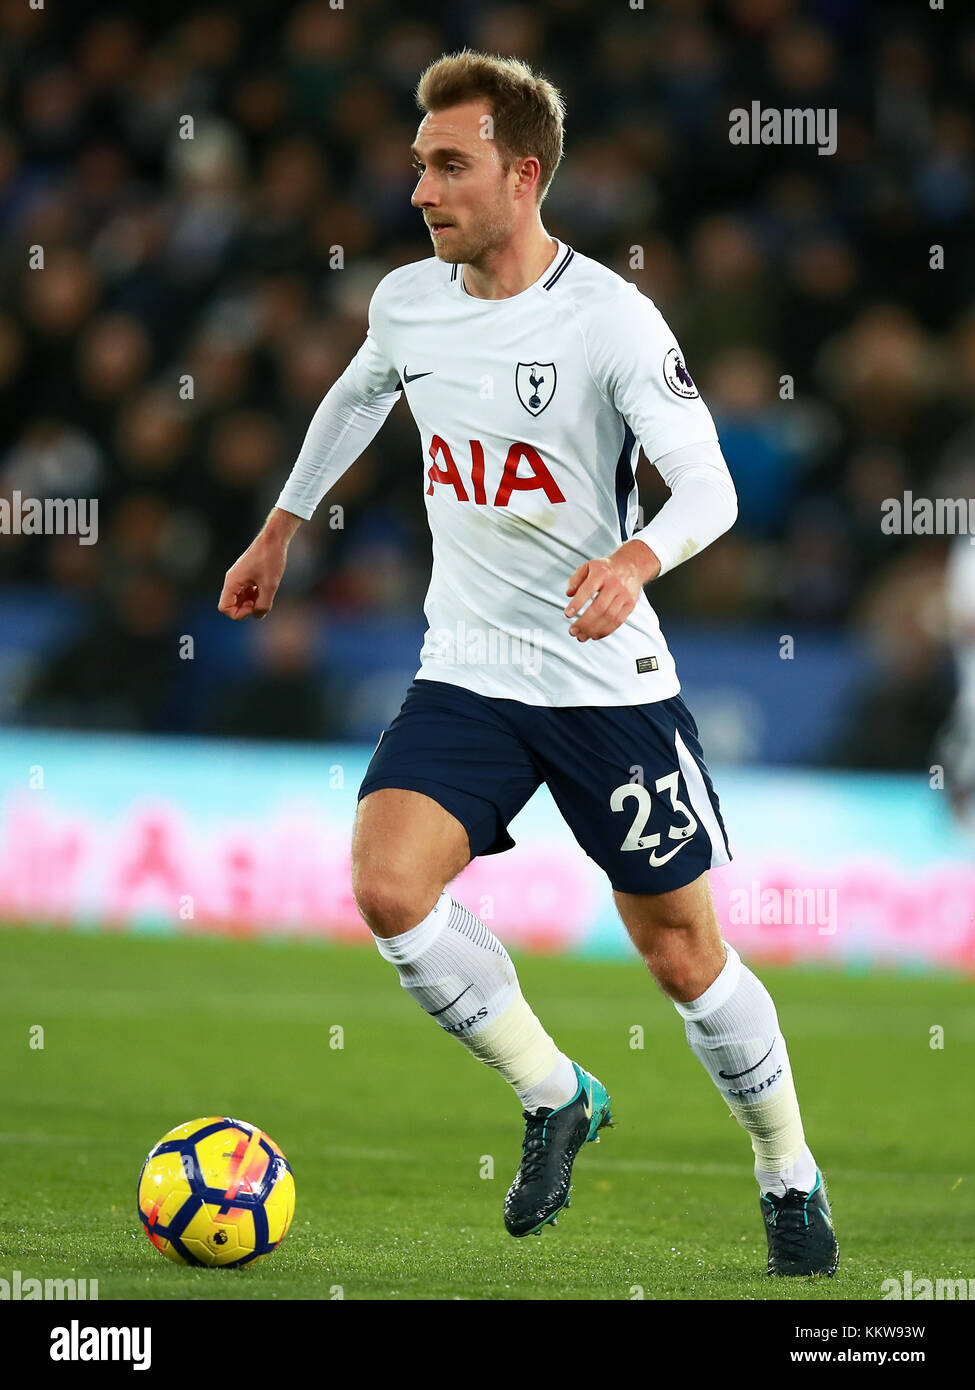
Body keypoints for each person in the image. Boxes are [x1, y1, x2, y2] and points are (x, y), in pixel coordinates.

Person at [218, 50, 838, 1276]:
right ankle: (556, 1093)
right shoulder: (409, 302)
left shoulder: (611, 319)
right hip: (469, 665)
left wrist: (636, 563)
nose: (421, 191)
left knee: (682, 956)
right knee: (390, 887)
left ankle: (788, 1170)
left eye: (448, 166)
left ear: (524, 172)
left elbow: (708, 486)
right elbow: (356, 396)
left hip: (607, 682)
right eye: (416, 166)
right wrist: (283, 522)